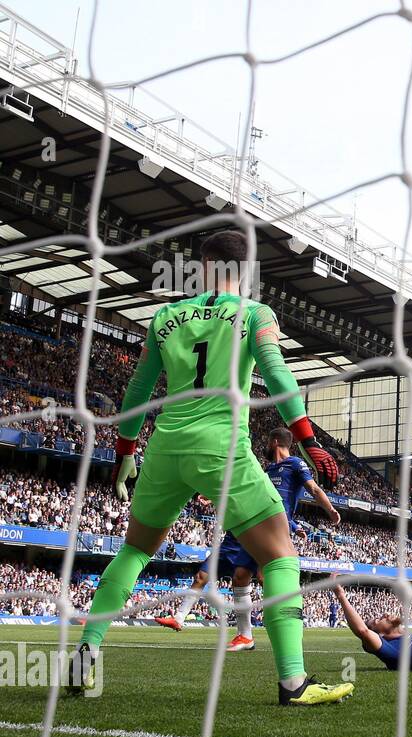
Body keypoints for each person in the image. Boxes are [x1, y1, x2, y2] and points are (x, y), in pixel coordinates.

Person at [69, 229, 350, 706]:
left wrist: (125, 452)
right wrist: (308, 440)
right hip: (221, 448)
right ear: (246, 271)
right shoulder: (255, 314)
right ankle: (293, 683)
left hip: (166, 447)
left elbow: (138, 390)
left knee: (135, 550)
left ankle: (85, 653)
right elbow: (277, 374)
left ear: (203, 266)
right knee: (280, 556)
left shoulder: (165, 317)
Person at [188, 427, 341, 651]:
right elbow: (249, 493)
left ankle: (289, 619)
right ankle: (246, 635)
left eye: (268, 442)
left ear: (275, 441)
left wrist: (330, 510)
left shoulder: (296, 463)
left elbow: (313, 489)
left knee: (264, 576)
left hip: (275, 529)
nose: (266, 447)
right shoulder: (268, 469)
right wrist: (213, 497)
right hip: (259, 524)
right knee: (242, 576)